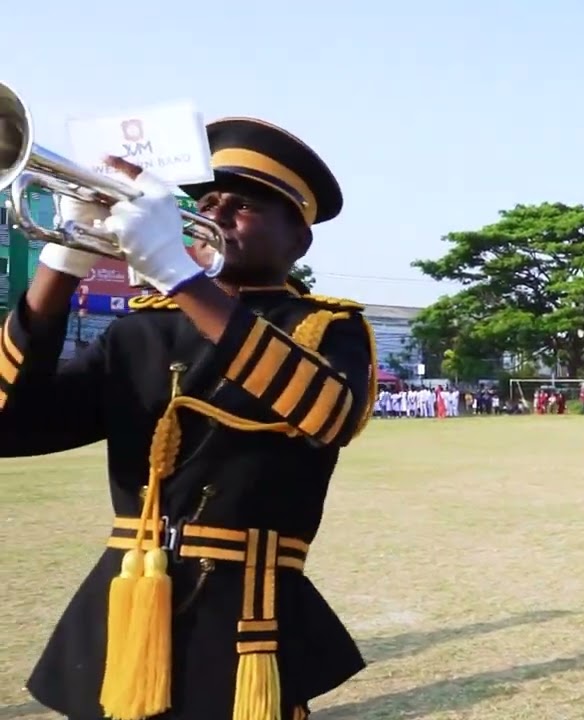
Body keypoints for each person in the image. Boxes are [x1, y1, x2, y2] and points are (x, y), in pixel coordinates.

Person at [0, 117, 376, 719]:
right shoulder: (141, 330)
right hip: (124, 606)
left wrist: (180, 275)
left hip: (245, 615)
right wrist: (62, 259)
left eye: (244, 205)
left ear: (297, 240)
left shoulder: (324, 328)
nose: (218, 213)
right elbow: (8, 425)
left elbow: (326, 413)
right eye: (208, 201)